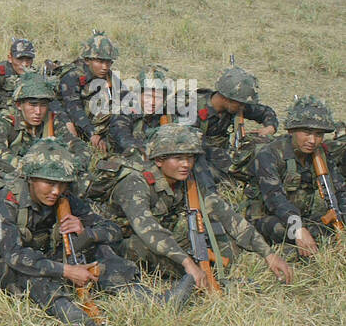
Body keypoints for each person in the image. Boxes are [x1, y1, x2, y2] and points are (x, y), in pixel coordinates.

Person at [0, 141, 151, 326]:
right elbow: (13, 255)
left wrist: (87, 232)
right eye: (50, 183)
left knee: (100, 247)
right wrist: (67, 271)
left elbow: (113, 230)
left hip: (46, 256)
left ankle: (133, 291)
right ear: (31, 178)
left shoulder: (63, 198)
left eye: (62, 184)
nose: (56, 191)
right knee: (29, 272)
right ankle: (69, 312)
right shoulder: (3, 201)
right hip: (1, 263)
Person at [103, 124, 293, 291]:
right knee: (138, 248)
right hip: (126, 242)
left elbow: (227, 215)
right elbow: (149, 230)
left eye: (190, 157)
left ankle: (196, 274)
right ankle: (188, 277)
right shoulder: (135, 182)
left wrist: (268, 254)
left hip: (165, 234)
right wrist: (188, 263)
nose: (186, 164)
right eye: (178, 158)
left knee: (227, 245)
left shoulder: (187, 180)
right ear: (159, 160)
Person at [244, 95, 344, 257]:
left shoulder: (321, 155)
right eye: (307, 132)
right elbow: (275, 199)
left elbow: (340, 189)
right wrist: (297, 228)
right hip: (268, 217)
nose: (313, 140)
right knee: (282, 230)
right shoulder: (269, 154)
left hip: (302, 217)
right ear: (291, 130)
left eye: (319, 134)